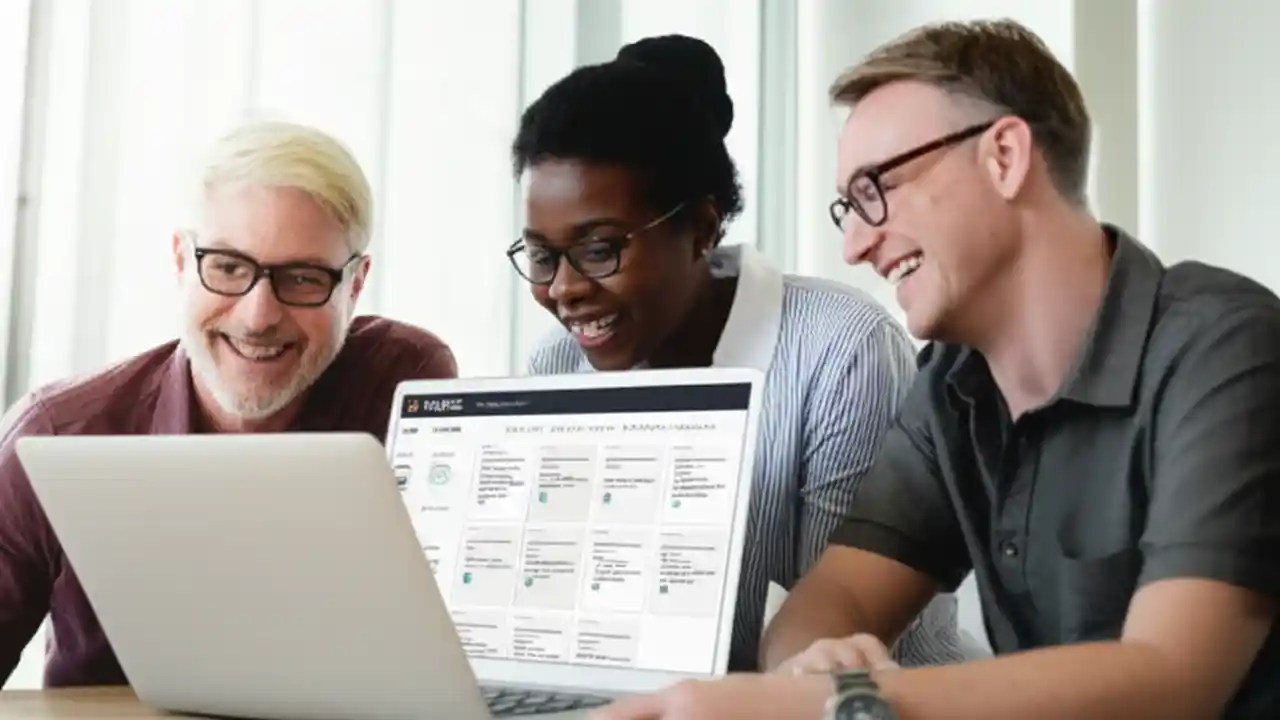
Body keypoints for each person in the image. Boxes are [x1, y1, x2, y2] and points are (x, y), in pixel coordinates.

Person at [593, 19, 1280, 720]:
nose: (856, 246)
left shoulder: (1227, 347)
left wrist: (837, 699)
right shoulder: (953, 385)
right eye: (848, 210)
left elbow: (1171, 679)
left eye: (875, 190)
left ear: (1004, 156)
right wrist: (815, 664)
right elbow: (832, 601)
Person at [510, 34, 966, 672]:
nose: (564, 289)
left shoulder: (839, 350)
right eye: (540, 254)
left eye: (599, 249)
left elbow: (830, 636)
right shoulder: (557, 362)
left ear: (701, 227)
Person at [0, 120, 457, 687]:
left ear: (356, 285)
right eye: (228, 268)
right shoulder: (54, 434)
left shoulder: (403, 385)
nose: (258, 315)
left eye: (303, 277)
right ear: (181, 261)